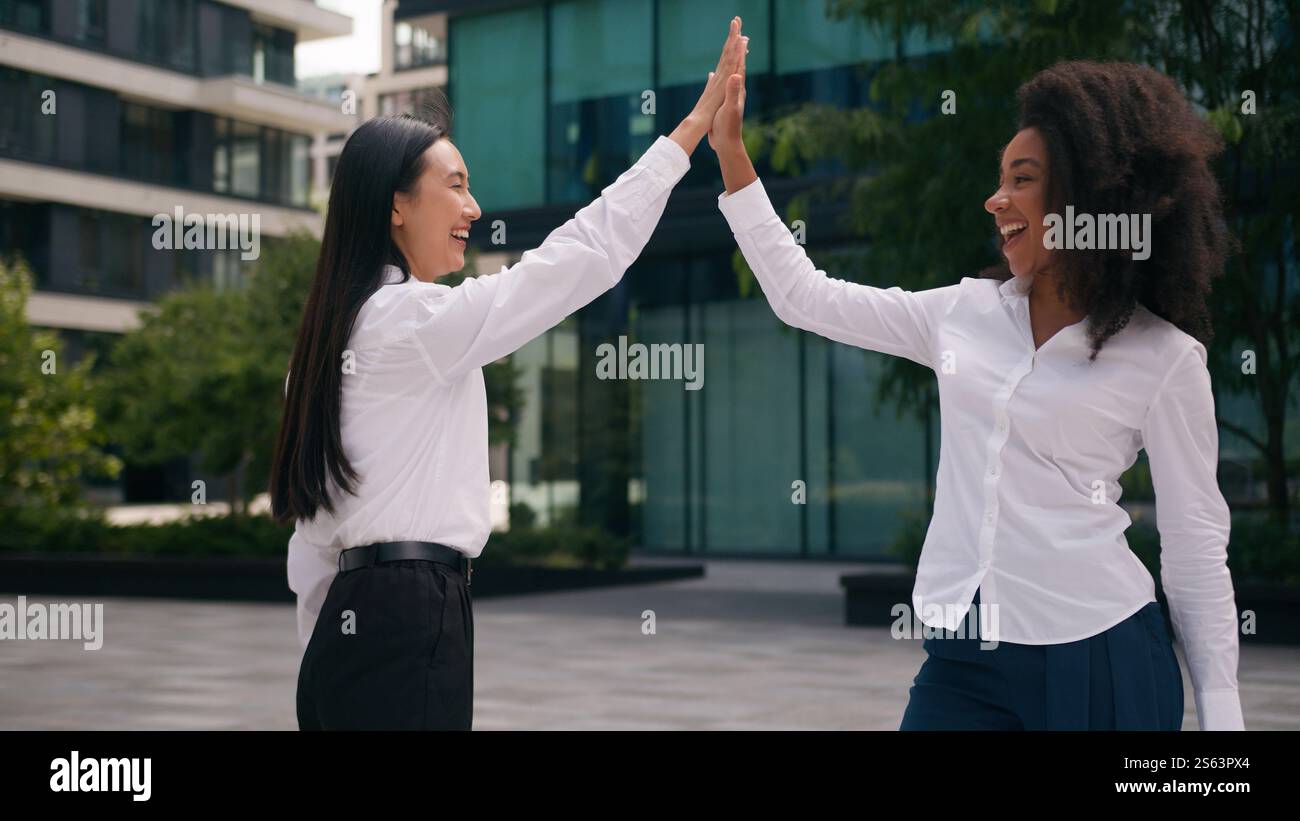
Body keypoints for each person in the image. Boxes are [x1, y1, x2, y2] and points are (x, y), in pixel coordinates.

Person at [708, 51, 1243, 730]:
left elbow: (1195, 544)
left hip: (1101, 658)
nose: (997, 200)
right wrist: (731, 151)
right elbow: (803, 296)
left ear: (1089, 194)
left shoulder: (1164, 359)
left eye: (1022, 180)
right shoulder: (963, 314)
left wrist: (1224, 719)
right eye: (1000, 180)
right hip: (966, 654)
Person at [270, 18, 750, 730]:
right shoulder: (412, 321)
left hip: (353, 630)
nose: (474, 207)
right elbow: (576, 260)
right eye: (455, 186)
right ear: (395, 205)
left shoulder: (332, 340)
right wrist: (685, 137)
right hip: (410, 613)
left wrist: (322, 661)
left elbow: (311, 551)